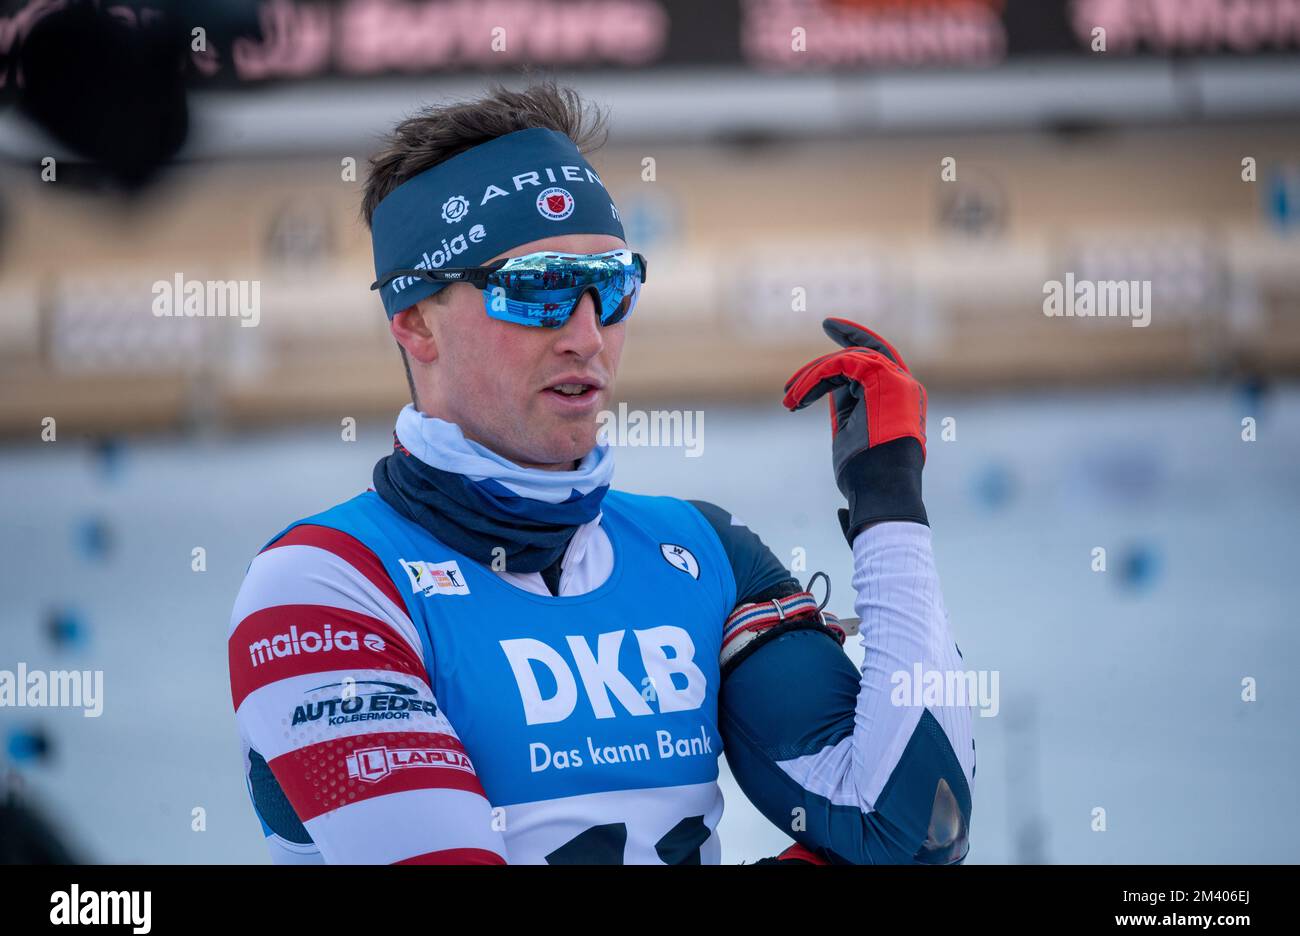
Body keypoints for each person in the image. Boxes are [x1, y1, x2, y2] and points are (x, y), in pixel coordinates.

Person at [226, 80, 973, 865]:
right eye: (538, 291)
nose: (587, 336)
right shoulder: (322, 587)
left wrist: (889, 508)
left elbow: (916, 829)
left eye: (610, 287)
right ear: (415, 321)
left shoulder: (701, 551)